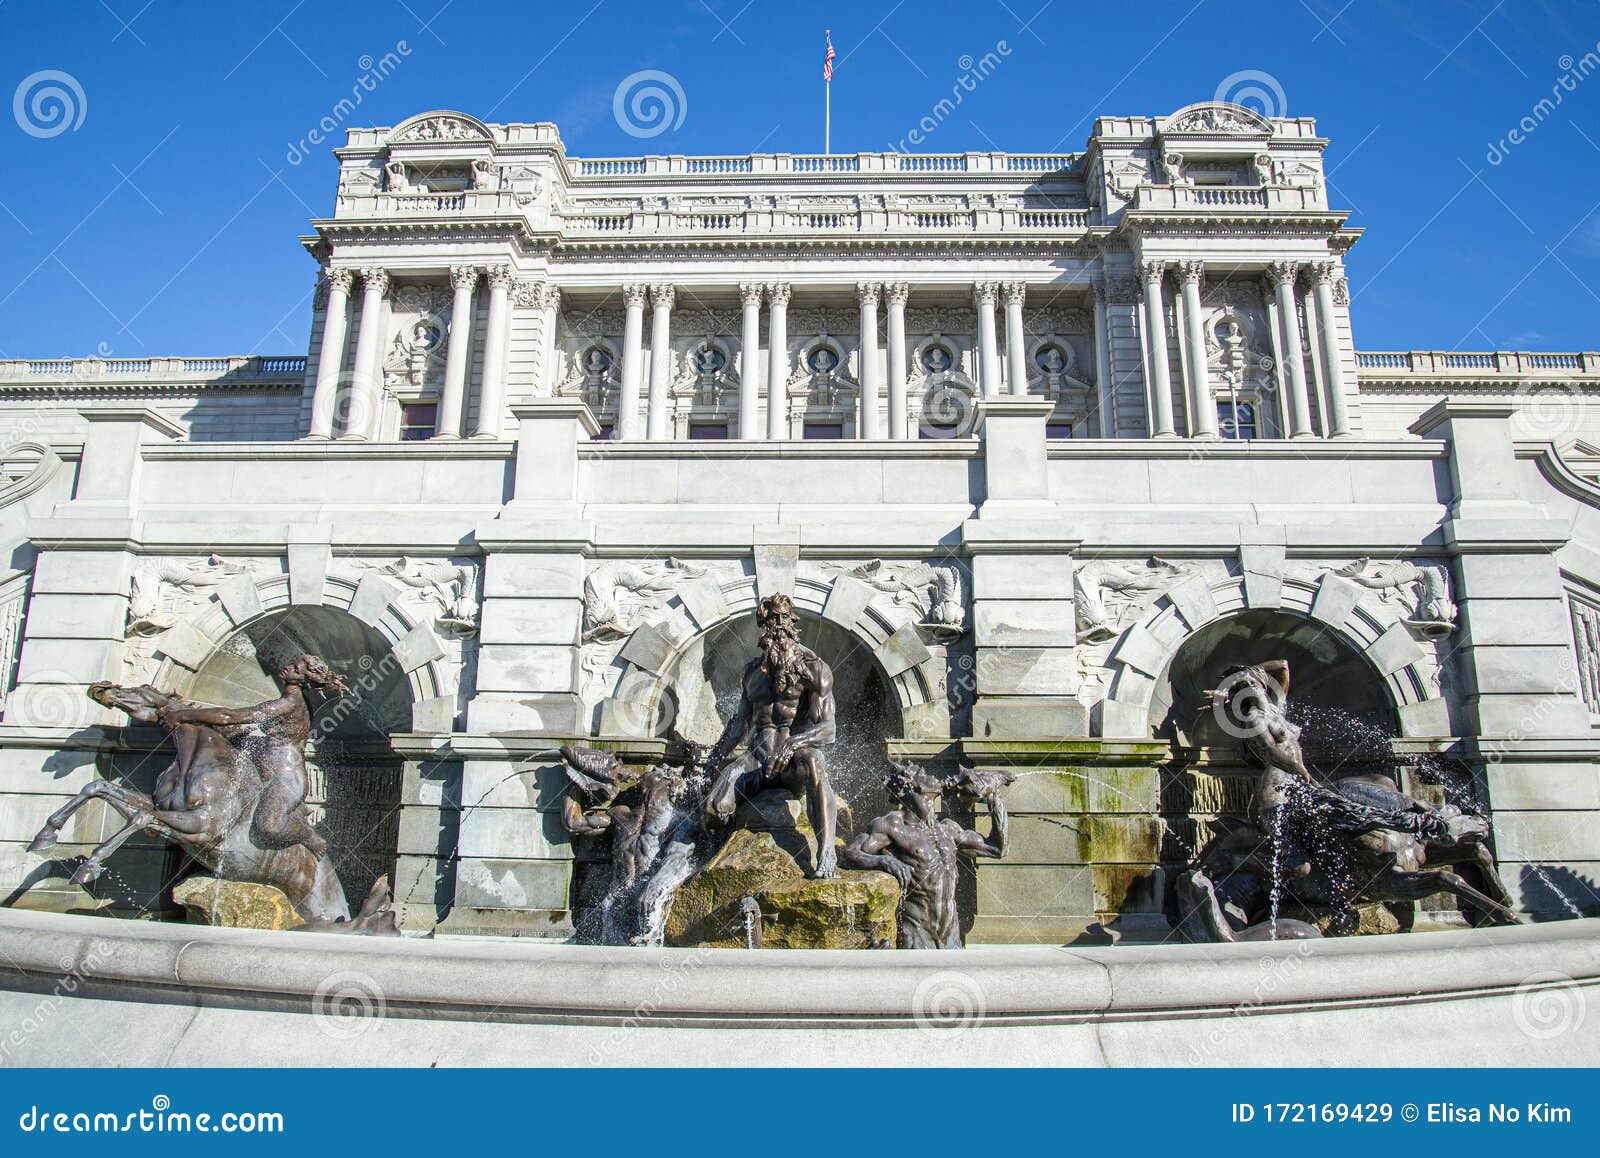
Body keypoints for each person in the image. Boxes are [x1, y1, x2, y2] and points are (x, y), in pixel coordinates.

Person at [156, 654, 349, 855]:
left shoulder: (289, 704)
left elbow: (230, 716)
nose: (289, 668)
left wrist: (182, 714)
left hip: (285, 780)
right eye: (292, 664)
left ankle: (309, 836)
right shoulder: (288, 701)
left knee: (268, 826)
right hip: (264, 768)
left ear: (304, 679)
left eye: (297, 670)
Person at [704, 594, 841, 878]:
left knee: (814, 762)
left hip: (794, 766)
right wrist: (712, 760)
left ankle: (826, 853)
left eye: (782, 619)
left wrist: (794, 743)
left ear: (793, 622)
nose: (777, 626)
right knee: (716, 804)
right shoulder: (752, 672)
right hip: (758, 760)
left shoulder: (815, 668)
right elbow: (739, 723)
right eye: (770, 621)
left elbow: (829, 730)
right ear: (761, 627)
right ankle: (710, 858)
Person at [840, 762, 1009, 948]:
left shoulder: (947, 829)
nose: (932, 777)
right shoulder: (892, 825)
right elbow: (851, 854)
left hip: (950, 934)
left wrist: (996, 803)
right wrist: (883, 860)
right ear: (909, 786)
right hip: (916, 932)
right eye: (923, 774)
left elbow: (997, 849)